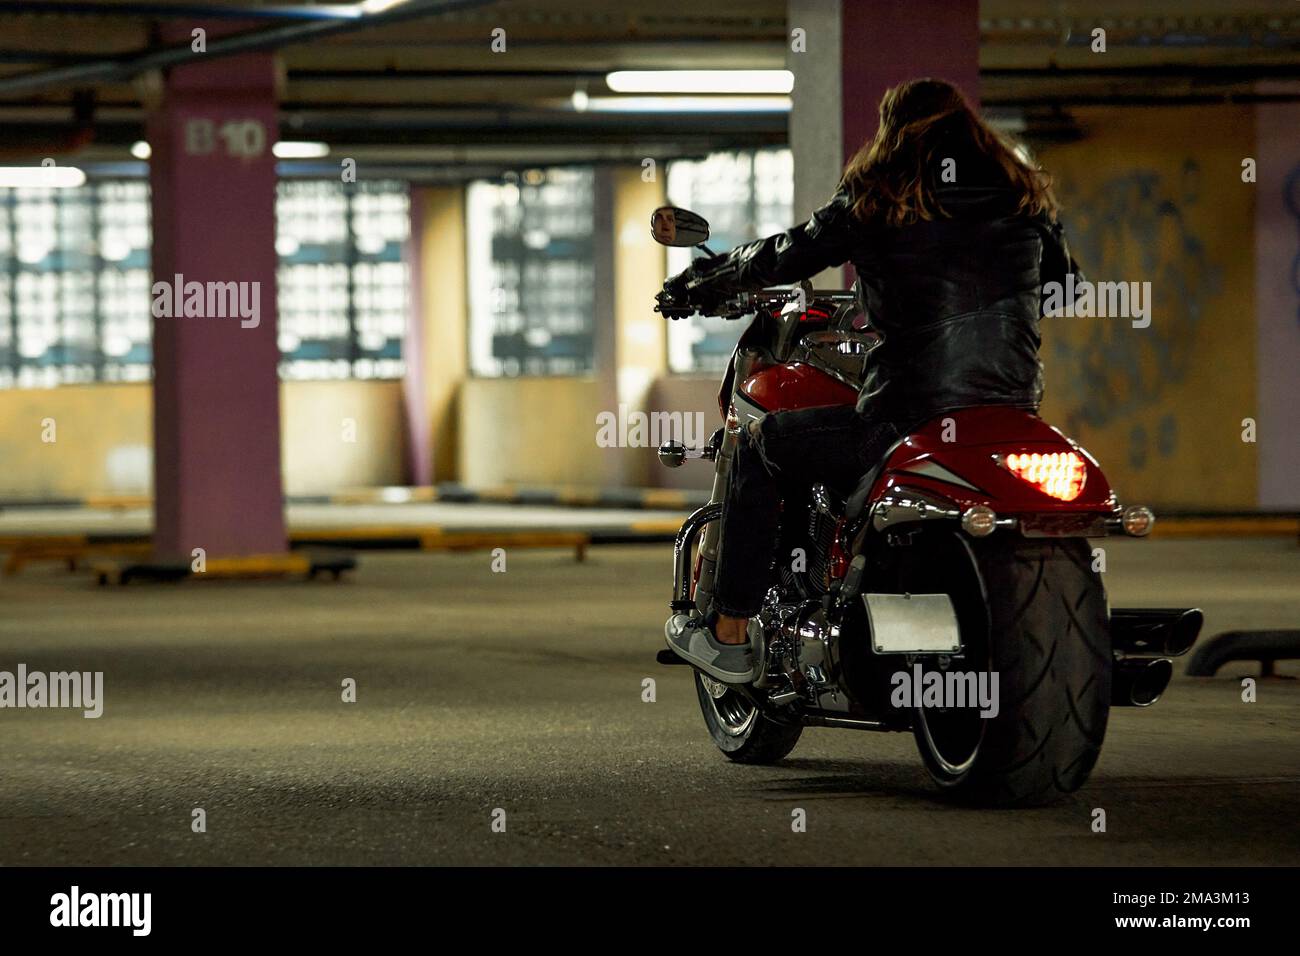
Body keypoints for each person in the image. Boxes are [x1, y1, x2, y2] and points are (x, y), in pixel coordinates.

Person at [661, 78, 1080, 683]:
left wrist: (702, 283)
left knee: (760, 444)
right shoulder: (1023, 194)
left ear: (892, 131)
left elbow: (787, 252)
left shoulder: (880, 193)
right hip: (1010, 408)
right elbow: (1066, 288)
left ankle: (727, 631)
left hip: (907, 413)